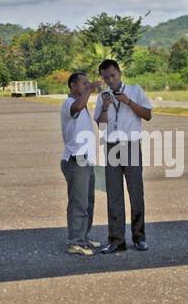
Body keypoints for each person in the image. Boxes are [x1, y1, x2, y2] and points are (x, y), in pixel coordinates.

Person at [95, 58, 153, 253]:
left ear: (119, 73)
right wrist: (105, 106)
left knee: (136, 193)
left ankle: (139, 237)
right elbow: (101, 126)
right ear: (102, 79)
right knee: (114, 194)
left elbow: (147, 115)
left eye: (113, 75)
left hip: (131, 144)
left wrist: (128, 102)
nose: (110, 80)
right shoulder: (102, 96)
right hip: (111, 146)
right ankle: (116, 240)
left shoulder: (135, 90)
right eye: (106, 77)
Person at [60, 71, 100, 256]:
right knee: (78, 203)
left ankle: (83, 236)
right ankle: (75, 242)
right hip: (76, 160)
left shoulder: (82, 105)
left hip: (86, 159)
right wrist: (90, 90)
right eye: (83, 83)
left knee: (88, 201)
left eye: (88, 83)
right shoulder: (70, 103)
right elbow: (77, 106)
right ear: (73, 86)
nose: (87, 85)